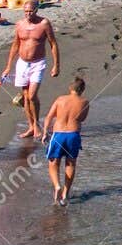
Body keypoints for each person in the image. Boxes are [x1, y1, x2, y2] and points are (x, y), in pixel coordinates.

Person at [2, 0, 59, 140]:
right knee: (26, 97)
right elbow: (15, 45)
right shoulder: (19, 24)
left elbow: (53, 44)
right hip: (22, 63)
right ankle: (31, 126)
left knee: (32, 95)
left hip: (38, 63)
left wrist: (56, 65)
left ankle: (37, 125)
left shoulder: (44, 23)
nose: (28, 14)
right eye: (26, 11)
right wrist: (8, 66)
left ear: (36, 10)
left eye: (31, 11)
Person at [42, 75, 90, 206]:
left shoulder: (60, 99)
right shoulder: (85, 102)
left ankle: (57, 185)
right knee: (70, 163)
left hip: (59, 134)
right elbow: (82, 119)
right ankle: (65, 193)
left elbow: (49, 117)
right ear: (82, 89)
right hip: (73, 135)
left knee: (53, 162)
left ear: (70, 88)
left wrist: (45, 132)